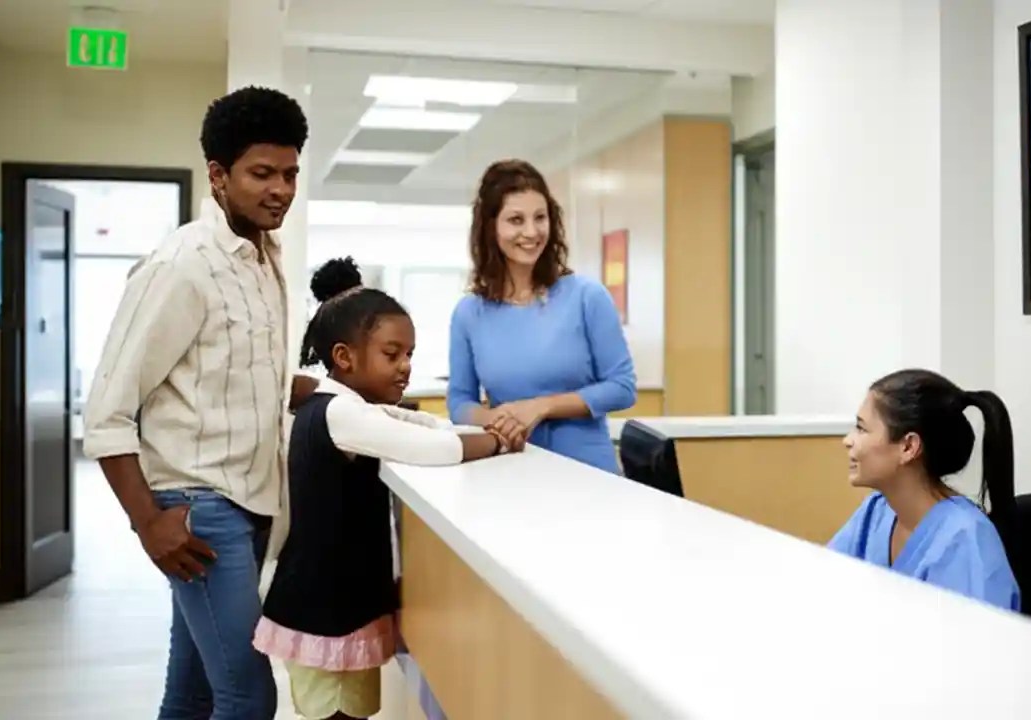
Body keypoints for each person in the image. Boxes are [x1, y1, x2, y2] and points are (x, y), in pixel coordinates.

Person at [81, 86, 308, 719]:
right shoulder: (183, 265)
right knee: (250, 693)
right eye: (262, 173)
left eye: (290, 173)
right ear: (218, 175)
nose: (281, 189)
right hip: (199, 510)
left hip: (252, 501)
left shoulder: (264, 257)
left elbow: (238, 374)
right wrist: (146, 521)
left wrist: (327, 395)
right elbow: (106, 411)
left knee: (194, 692)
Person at [254, 264, 519, 720]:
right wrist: (498, 440)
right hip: (324, 608)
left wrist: (480, 429)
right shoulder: (341, 414)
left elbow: (421, 423)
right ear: (345, 356)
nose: (405, 367)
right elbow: (433, 446)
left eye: (409, 355)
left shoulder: (348, 406)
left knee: (353, 712)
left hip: (344, 602)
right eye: (392, 354)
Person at [447, 159, 637, 473]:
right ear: (490, 226)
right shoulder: (469, 313)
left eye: (540, 217)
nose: (531, 232)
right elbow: (459, 402)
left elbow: (622, 387)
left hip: (589, 475)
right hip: (508, 470)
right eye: (516, 220)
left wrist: (540, 407)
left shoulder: (587, 297)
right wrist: (497, 419)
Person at [827, 369, 1021, 611]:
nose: (848, 440)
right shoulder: (875, 511)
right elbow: (824, 586)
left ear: (908, 447)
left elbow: (977, 644)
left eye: (861, 429)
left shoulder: (966, 541)